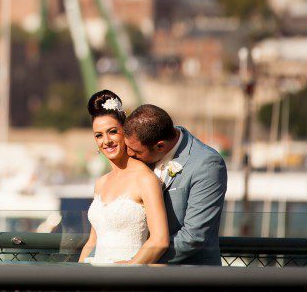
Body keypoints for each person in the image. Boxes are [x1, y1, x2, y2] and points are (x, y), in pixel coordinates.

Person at [123, 104, 228, 266]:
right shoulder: (140, 156)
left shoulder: (207, 164)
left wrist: (138, 261)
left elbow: (194, 236)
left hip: (185, 277)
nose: (129, 155)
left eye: (136, 152)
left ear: (160, 146)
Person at [78, 90, 169, 264]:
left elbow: (159, 240)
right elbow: (92, 242)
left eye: (112, 132)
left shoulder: (145, 179)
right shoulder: (101, 183)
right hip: (95, 279)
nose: (106, 141)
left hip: (128, 280)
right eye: (99, 135)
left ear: (125, 132)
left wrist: (126, 271)